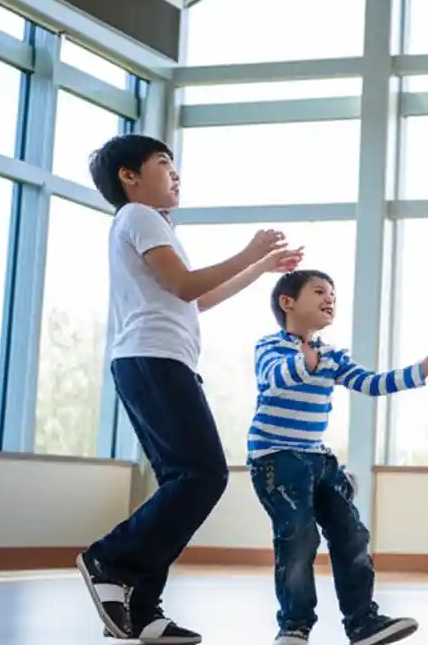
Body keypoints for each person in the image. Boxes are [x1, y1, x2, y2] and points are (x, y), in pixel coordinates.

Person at [76, 134, 302, 644]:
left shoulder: (155, 226)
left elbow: (197, 297)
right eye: (163, 163)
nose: (175, 173)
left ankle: (142, 607)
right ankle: (108, 559)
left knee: (183, 480)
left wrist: (259, 267)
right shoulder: (139, 217)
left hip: (159, 361)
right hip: (152, 361)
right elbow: (185, 285)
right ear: (128, 177)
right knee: (204, 475)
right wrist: (250, 249)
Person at [251, 269, 428, 645]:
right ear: (288, 302)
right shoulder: (271, 347)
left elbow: (371, 383)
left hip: (318, 460)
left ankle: (363, 623)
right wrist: (303, 363)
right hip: (276, 460)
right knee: (298, 537)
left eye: (333, 294)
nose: (330, 299)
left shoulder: (331, 356)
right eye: (319, 292)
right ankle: (294, 626)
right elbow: (272, 378)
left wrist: (422, 370)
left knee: (351, 534)